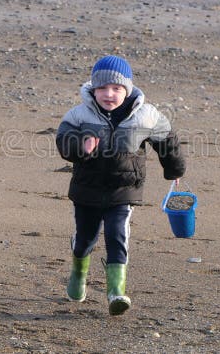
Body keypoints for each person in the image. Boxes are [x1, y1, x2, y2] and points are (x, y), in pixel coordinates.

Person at [55, 55, 186, 315]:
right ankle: (78, 275)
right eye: (102, 88)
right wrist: (81, 145)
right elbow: (63, 142)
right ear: (93, 89)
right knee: (85, 239)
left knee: (117, 235)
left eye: (116, 88)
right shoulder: (79, 114)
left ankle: (116, 291)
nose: (109, 94)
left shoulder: (145, 115)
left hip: (123, 189)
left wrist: (174, 170)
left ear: (127, 89)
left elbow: (167, 140)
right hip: (87, 190)